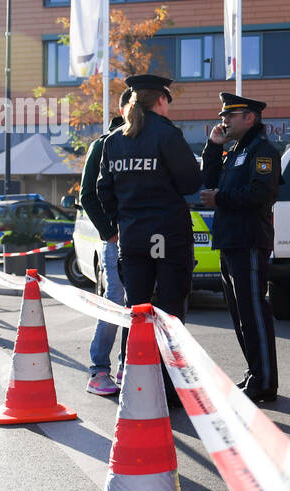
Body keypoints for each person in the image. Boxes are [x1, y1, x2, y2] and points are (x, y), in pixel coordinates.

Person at [96, 74, 202, 404]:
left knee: (137, 311)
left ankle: (135, 380)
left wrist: (122, 219)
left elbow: (103, 190)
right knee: (169, 312)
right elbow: (190, 182)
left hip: (133, 237)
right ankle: (169, 391)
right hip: (168, 234)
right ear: (160, 101)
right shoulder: (166, 134)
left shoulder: (113, 140)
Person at [200, 92, 282, 403]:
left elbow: (261, 194)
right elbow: (208, 181)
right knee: (240, 314)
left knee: (254, 313)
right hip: (230, 241)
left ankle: (264, 381)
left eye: (230, 116)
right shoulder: (235, 152)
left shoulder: (262, 151)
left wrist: (220, 198)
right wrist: (212, 147)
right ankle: (254, 373)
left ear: (249, 117)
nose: (224, 121)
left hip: (249, 241)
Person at [79, 91, 131, 396]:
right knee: (114, 300)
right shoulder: (104, 143)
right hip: (116, 239)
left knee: (134, 303)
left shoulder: (143, 140)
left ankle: (126, 364)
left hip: (138, 236)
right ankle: (98, 369)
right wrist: (109, 231)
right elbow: (87, 194)